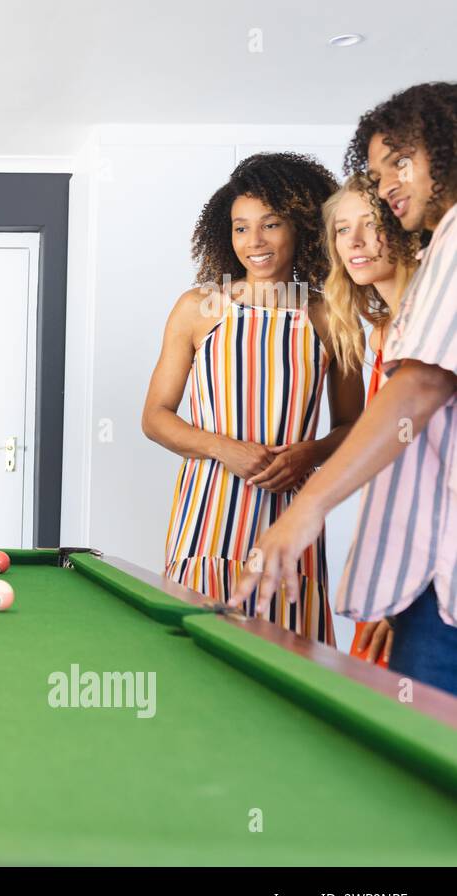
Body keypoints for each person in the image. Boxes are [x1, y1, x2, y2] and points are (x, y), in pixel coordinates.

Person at [232, 83, 457, 694]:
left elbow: (416, 394)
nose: (388, 186)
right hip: (419, 576)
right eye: (379, 172)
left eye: (400, 164)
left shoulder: (452, 243)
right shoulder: (389, 318)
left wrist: (305, 508)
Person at [142, 153, 359, 641]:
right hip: (207, 520)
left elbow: (356, 427)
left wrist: (312, 453)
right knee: (196, 659)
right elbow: (155, 417)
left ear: (302, 226)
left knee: (290, 660)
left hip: (292, 521)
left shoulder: (331, 316)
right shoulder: (199, 307)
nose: (254, 242)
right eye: (241, 228)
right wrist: (224, 447)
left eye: (270, 224)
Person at [322, 174, 418, 666]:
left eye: (370, 225)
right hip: (385, 571)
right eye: (342, 229)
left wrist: (404, 595)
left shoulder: (434, 328)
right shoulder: (379, 336)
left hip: (423, 582)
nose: (353, 243)